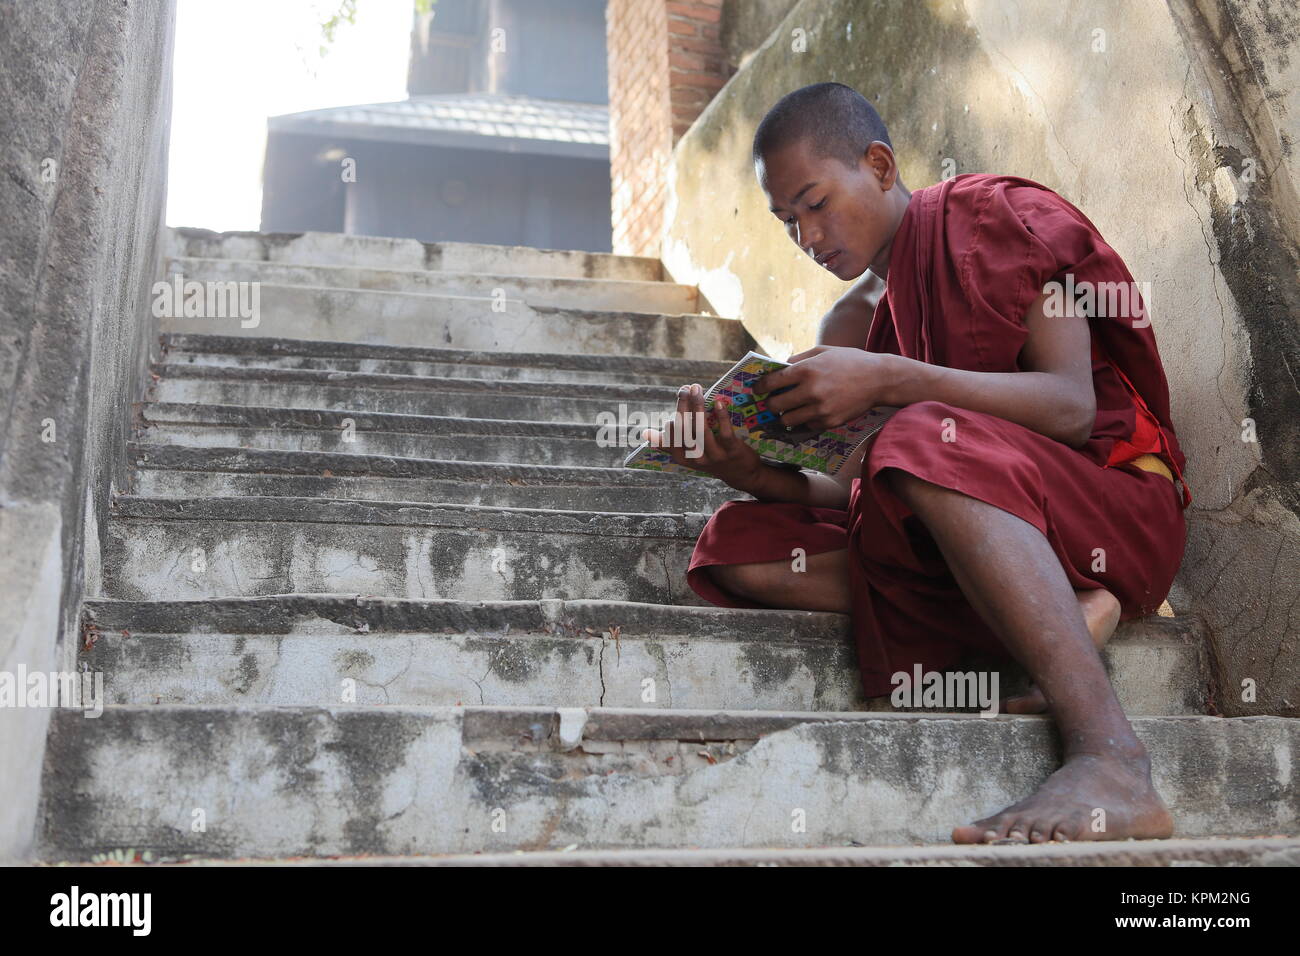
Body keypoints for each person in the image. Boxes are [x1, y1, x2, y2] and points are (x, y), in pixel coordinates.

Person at [640, 82, 1190, 844]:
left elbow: (1070, 408)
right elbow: (859, 486)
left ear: (880, 165)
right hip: (981, 516)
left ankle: (1112, 757)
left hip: (1110, 503)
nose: (806, 235)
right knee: (740, 542)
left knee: (923, 437)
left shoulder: (991, 222)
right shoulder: (852, 321)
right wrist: (744, 470)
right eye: (786, 221)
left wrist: (895, 381)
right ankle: (1063, 605)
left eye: (815, 202)